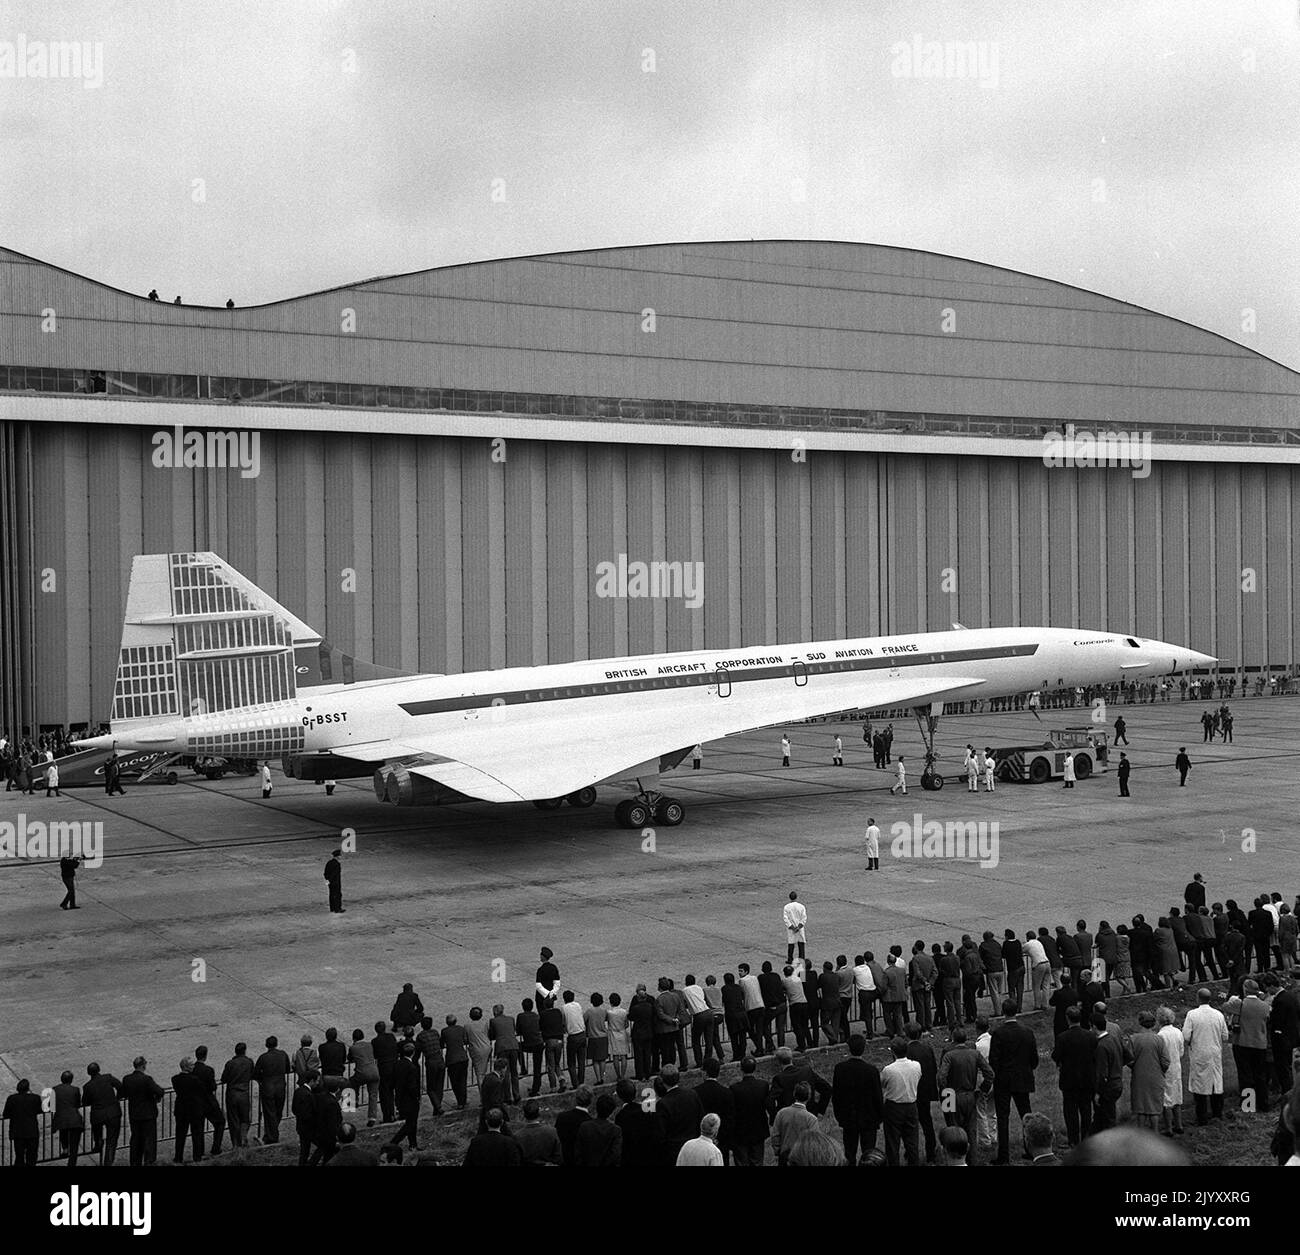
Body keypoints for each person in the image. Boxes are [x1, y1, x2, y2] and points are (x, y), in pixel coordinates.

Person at [989, 999, 1037, 1165]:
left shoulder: (999, 1033)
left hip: (1003, 1080)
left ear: (1003, 1012)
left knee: (1003, 1117)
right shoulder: (1027, 1032)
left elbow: (993, 1060)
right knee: (1026, 1115)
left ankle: (1004, 1155)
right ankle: (1032, 1150)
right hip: (1022, 1077)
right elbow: (1034, 1058)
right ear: (1016, 1011)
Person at [1182, 988, 1229, 1125]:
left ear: (1198, 998)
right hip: (1214, 1052)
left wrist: (1191, 1041)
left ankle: (1201, 1117)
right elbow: (1225, 1036)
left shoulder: (1192, 1015)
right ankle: (1217, 1113)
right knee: (1216, 1081)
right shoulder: (1218, 1014)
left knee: (1200, 1083)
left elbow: (1185, 1035)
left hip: (1199, 1052)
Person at [880, 1036, 922, 1166]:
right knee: (912, 1141)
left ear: (892, 1052)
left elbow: (883, 1083)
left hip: (894, 1107)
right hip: (911, 1105)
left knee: (892, 1142)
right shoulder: (916, 1065)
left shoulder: (889, 1069)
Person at [1128, 1011, 1170, 1129]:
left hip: (1139, 1078)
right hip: (1156, 1077)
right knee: (1154, 1108)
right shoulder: (1159, 1039)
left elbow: (1129, 1060)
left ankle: (1141, 1137)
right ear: (1153, 1024)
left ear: (1140, 1023)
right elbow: (1166, 1061)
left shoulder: (1133, 1039)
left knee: (1140, 1108)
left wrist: (1136, 1067)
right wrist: (1160, 1071)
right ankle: (1155, 1134)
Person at [121, 1056, 164, 1166]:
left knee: (135, 1140)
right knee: (149, 1140)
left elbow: (123, 1094)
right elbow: (159, 1091)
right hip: (148, 1114)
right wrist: (156, 1098)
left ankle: (135, 1162)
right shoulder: (146, 1079)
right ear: (143, 1066)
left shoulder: (127, 1079)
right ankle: (148, 1161)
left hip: (134, 1114)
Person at [728, 1055, 770, 1166]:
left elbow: (732, 1111)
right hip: (758, 1129)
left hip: (740, 1131)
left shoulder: (735, 1088)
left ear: (741, 1069)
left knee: (742, 1161)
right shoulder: (763, 1085)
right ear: (754, 1068)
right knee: (757, 1161)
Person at [615, 1077, 666, 1168]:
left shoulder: (620, 1116)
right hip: (648, 1154)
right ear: (636, 1093)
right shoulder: (645, 1111)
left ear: (620, 1097)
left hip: (632, 1157)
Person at [83, 1062, 123, 1167]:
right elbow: (120, 1086)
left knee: (97, 1132)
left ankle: (98, 1143)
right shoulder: (108, 1078)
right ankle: (108, 1162)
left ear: (88, 1073)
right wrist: (117, 1098)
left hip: (98, 1115)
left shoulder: (87, 1086)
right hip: (113, 1112)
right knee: (112, 1140)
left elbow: (85, 1102)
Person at [771, 1081, 819, 1165]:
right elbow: (814, 1142)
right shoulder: (811, 1119)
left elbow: (775, 1135)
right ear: (809, 1096)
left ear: (794, 1094)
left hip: (784, 1156)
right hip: (803, 1158)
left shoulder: (781, 1113)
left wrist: (778, 1151)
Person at [254, 1035, 290, 1142]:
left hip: (268, 1087)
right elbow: (287, 1069)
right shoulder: (283, 1054)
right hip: (280, 1087)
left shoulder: (263, 1057)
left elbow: (255, 1074)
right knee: (278, 1111)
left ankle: (272, 1136)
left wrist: (262, 1079)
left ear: (266, 1045)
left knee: (270, 1113)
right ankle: (272, 1134)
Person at [1156, 1006, 1186, 1136]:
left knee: (1166, 1098)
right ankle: (1178, 1124)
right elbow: (1181, 1051)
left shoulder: (1160, 1035)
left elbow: (1159, 1054)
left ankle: (1168, 1127)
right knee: (1177, 1094)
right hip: (1176, 1065)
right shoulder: (1178, 1032)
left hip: (1165, 1068)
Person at [574, 1092, 622, 1166]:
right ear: (611, 1112)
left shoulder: (585, 1126)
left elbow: (578, 1153)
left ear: (596, 1108)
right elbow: (615, 1155)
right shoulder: (615, 1130)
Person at [2, 1079, 42, 1166]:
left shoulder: (11, 1099)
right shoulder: (35, 1098)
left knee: (19, 1156)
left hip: (18, 1132)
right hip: (32, 1131)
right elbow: (39, 1110)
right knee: (32, 1157)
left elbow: (6, 1114)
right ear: (28, 1088)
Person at [50, 1070, 85, 1166]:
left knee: (63, 1131)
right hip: (74, 1119)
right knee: (74, 1148)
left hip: (61, 1119)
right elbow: (78, 1104)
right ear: (71, 1080)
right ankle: (71, 1163)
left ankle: (65, 1148)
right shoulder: (75, 1089)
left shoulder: (55, 1089)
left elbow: (51, 1105)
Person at [515, 1099, 563, 1166]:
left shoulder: (517, 1136)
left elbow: (517, 1160)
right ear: (539, 1113)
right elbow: (558, 1157)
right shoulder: (552, 1132)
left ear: (524, 1115)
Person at [490, 1002, 523, 1100]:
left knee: (505, 1073)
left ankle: (507, 1097)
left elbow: (491, 1035)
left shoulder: (493, 1021)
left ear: (495, 1012)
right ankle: (516, 1094)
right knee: (514, 1072)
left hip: (502, 1047)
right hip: (513, 1045)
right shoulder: (511, 1019)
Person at [394, 1042, 422, 1149]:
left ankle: (413, 1144)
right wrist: (416, 1097)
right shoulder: (412, 1067)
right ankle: (393, 1143)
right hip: (410, 1100)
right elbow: (412, 1086)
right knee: (410, 1124)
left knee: (411, 1123)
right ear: (413, 1053)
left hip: (400, 1097)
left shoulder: (398, 1064)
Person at [555, 1085, 593, 1167]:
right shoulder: (591, 1123)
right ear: (591, 1101)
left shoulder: (562, 1117)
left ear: (576, 1099)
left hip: (565, 1160)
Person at [441, 1014, 471, 1108]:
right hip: (462, 1057)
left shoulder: (444, 1031)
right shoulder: (461, 1029)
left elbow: (441, 1043)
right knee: (463, 1080)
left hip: (452, 1058)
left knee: (455, 1082)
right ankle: (463, 1100)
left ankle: (460, 1101)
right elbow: (466, 1040)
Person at [783, 890, 807, 964]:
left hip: (791, 929)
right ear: (796, 897)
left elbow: (785, 919)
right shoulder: (801, 906)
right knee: (801, 943)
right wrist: (799, 927)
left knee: (791, 943)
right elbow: (804, 918)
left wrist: (792, 927)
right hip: (800, 928)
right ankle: (801, 958)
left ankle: (790, 959)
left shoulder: (787, 907)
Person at [535, 947, 560, 1011]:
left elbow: (538, 986)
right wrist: (551, 994)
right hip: (551, 996)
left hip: (541, 997)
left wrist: (546, 995)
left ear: (543, 957)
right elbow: (557, 983)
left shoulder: (540, 970)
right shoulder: (554, 968)